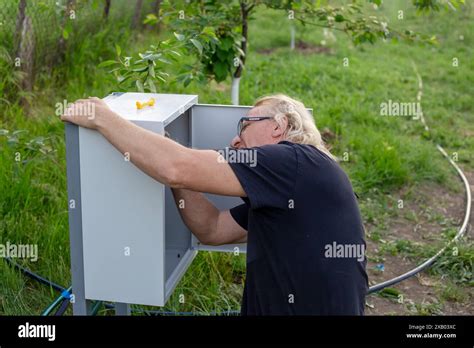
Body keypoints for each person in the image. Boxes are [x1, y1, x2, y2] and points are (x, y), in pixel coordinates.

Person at [61, 94, 368, 315]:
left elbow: (175, 167)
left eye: (244, 125)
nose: (235, 140)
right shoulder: (295, 182)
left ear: (279, 124)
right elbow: (212, 229)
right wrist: (177, 172)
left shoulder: (292, 161)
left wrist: (101, 116)